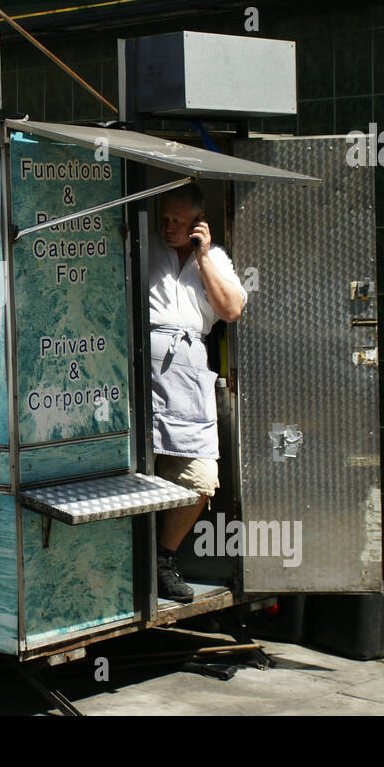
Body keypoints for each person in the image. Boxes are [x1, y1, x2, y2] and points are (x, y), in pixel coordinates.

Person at [149, 183, 247, 603]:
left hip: (189, 381)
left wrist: (203, 257)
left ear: (197, 224)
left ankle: (162, 557)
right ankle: (132, 563)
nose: (168, 227)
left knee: (200, 479)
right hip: (143, 373)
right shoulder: (145, 245)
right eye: (165, 219)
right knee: (140, 473)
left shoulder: (216, 259)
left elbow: (231, 310)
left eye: (178, 221)